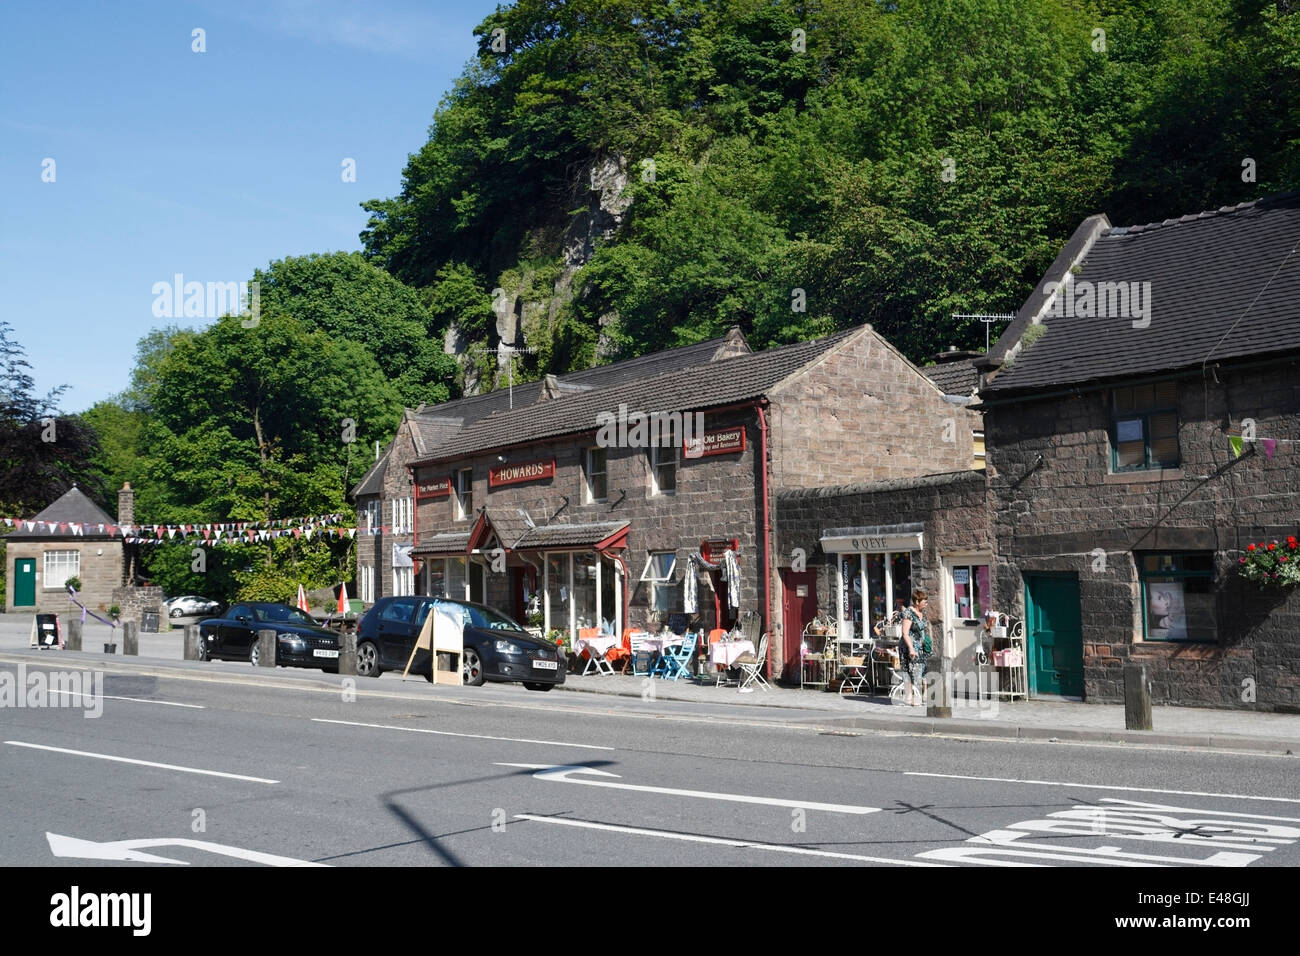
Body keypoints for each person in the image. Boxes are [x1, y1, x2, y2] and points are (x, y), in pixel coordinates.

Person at [898, 588, 932, 706]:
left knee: (923, 671)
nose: (926, 603)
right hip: (909, 646)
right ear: (917, 602)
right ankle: (909, 698)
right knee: (910, 671)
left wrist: (927, 642)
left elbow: (923, 629)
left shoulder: (923, 612)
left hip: (921, 646)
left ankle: (923, 697)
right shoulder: (908, 613)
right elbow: (905, 633)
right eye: (924, 601)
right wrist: (911, 648)